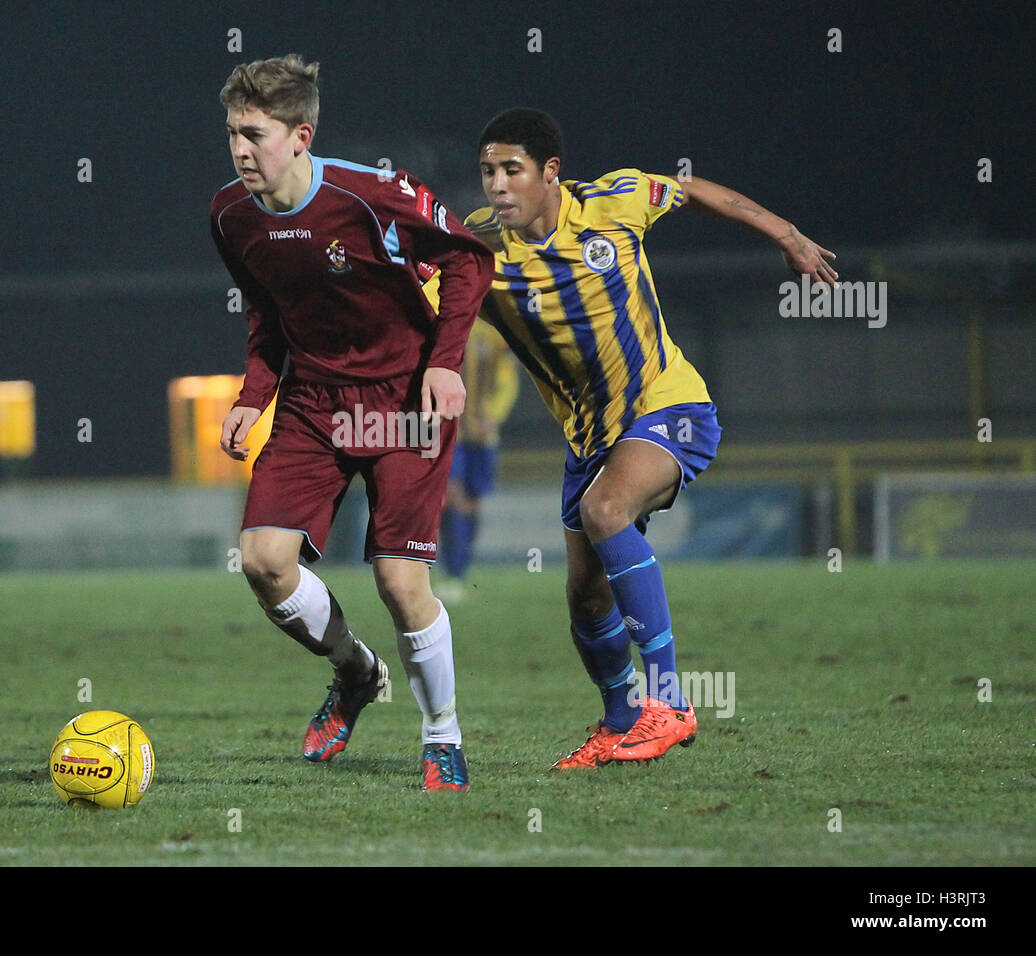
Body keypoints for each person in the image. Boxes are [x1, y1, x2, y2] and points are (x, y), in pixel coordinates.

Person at [466, 108, 836, 768]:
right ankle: (620, 720)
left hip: (670, 405)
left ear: (551, 173)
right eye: (489, 171)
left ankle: (670, 701)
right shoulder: (478, 248)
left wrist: (787, 234)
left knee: (605, 511)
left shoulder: (617, 201)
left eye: (511, 170)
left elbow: (695, 193)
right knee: (584, 599)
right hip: (588, 439)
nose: (497, 185)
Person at [210, 55, 494, 790]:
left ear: (300, 135)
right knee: (263, 560)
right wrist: (253, 395)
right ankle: (355, 671)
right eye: (232, 133)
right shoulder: (230, 218)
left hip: (404, 403)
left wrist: (445, 362)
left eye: (255, 134)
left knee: (400, 582)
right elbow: (268, 313)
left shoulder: (370, 194)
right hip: (313, 405)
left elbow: (469, 258)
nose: (241, 149)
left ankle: (442, 737)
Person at [436, 318, 519, 603]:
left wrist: (494, 413)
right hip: (449, 429)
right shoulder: (445, 325)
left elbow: (508, 379)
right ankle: (453, 573)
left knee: (471, 501)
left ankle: (460, 570)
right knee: (452, 495)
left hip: (484, 434)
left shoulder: (494, 332)